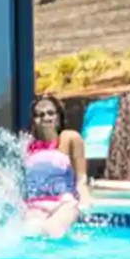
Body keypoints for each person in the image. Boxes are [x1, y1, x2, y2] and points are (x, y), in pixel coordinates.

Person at [21, 94, 91, 238]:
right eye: (39, 115)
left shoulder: (69, 138)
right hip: (34, 205)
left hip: (64, 202)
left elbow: (81, 178)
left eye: (50, 113)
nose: (45, 117)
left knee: (52, 230)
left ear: (59, 117)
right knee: (29, 234)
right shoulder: (26, 146)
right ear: (34, 121)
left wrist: (85, 200)